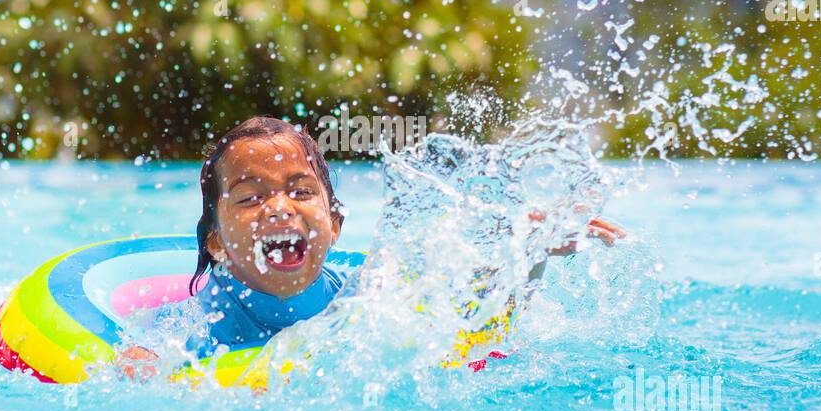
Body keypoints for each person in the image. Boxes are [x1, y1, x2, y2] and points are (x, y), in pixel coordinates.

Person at [117, 116, 623, 382]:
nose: (277, 209)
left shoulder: (368, 293)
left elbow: (481, 319)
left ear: (334, 225)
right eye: (250, 198)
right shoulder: (201, 323)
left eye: (300, 191)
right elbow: (150, 354)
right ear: (217, 245)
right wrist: (141, 363)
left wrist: (528, 251)